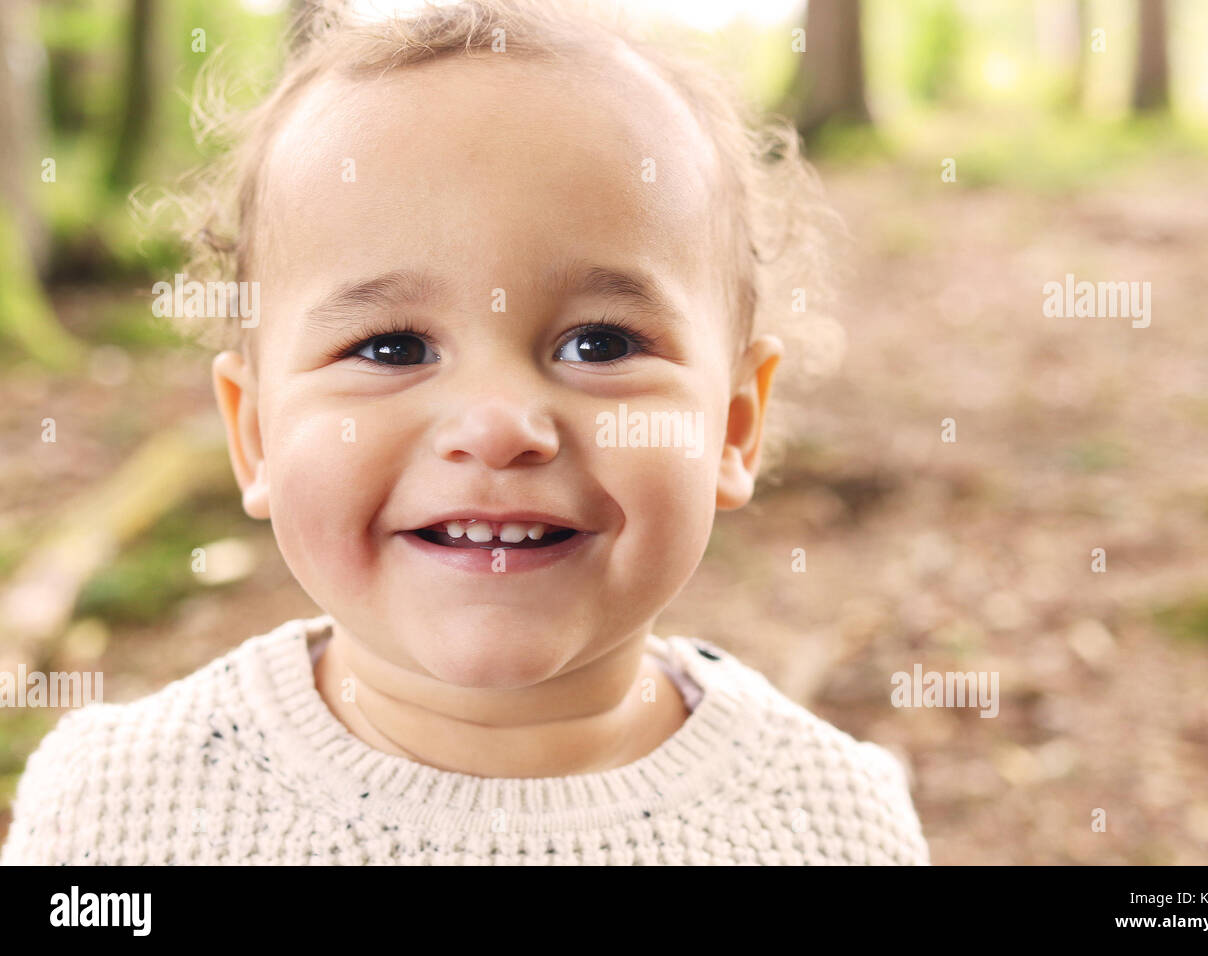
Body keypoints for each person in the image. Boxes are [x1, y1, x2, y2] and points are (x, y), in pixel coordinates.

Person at [1, 0, 928, 865]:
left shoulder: (834, 824)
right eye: (391, 345)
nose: (496, 427)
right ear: (255, 438)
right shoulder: (115, 812)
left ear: (733, 426)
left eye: (598, 343)